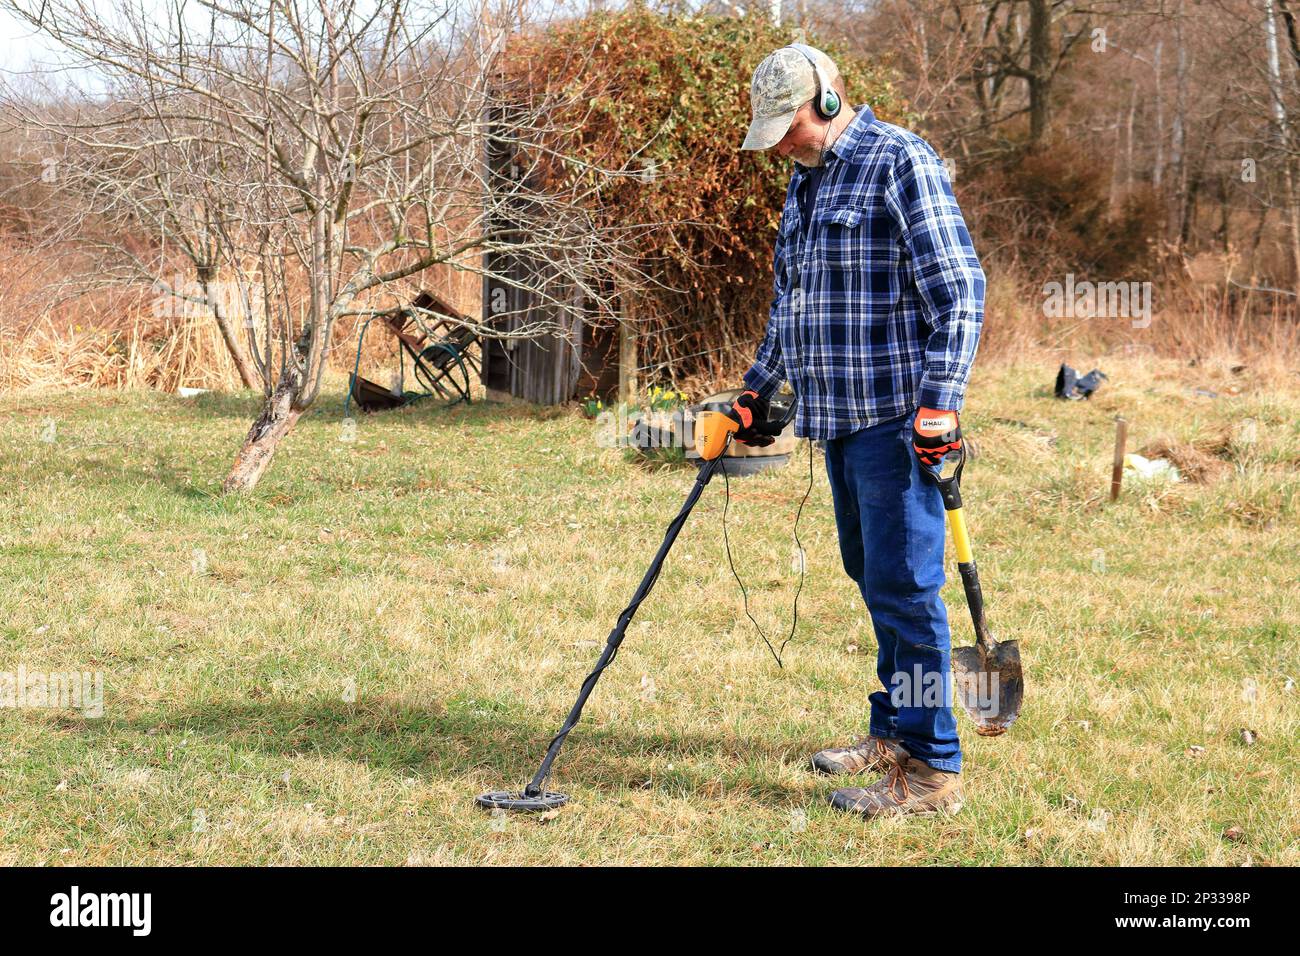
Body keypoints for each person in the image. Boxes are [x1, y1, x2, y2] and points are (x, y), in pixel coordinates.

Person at [726, 43, 985, 817]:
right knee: (874, 582)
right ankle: (896, 730)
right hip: (835, 420)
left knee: (907, 590)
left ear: (830, 102)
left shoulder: (899, 161)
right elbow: (792, 301)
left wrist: (940, 403)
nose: (778, 144)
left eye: (789, 125)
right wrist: (757, 387)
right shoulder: (805, 184)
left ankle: (933, 770)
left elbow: (961, 291)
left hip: (897, 423)